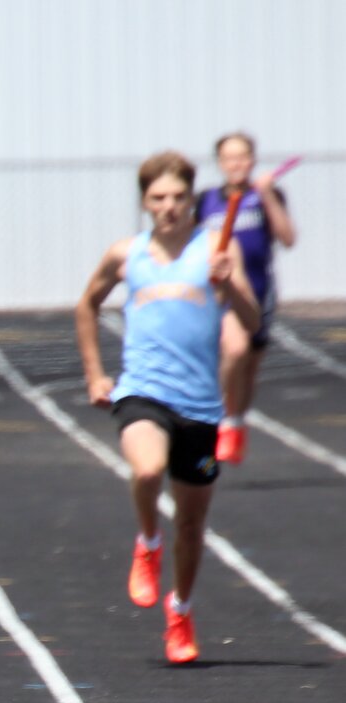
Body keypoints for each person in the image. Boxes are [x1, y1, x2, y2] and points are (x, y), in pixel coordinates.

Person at [75, 151, 259, 664]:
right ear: (144, 202)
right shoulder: (126, 254)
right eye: (158, 198)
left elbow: (249, 318)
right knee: (148, 468)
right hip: (142, 391)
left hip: (199, 406)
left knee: (194, 525)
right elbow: (86, 304)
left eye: (178, 197)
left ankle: (180, 610)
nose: (169, 206)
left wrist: (231, 286)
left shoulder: (216, 252)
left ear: (191, 199)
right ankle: (148, 541)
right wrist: (95, 374)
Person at [196, 132, 297, 464]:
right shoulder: (207, 200)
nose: (236, 163)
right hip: (222, 293)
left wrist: (267, 195)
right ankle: (219, 417)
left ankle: (235, 422)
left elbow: (287, 238)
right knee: (234, 349)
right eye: (229, 157)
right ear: (220, 163)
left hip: (258, 291)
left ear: (252, 160)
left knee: (250, 366)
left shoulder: (267, 194)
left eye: (242, 156)